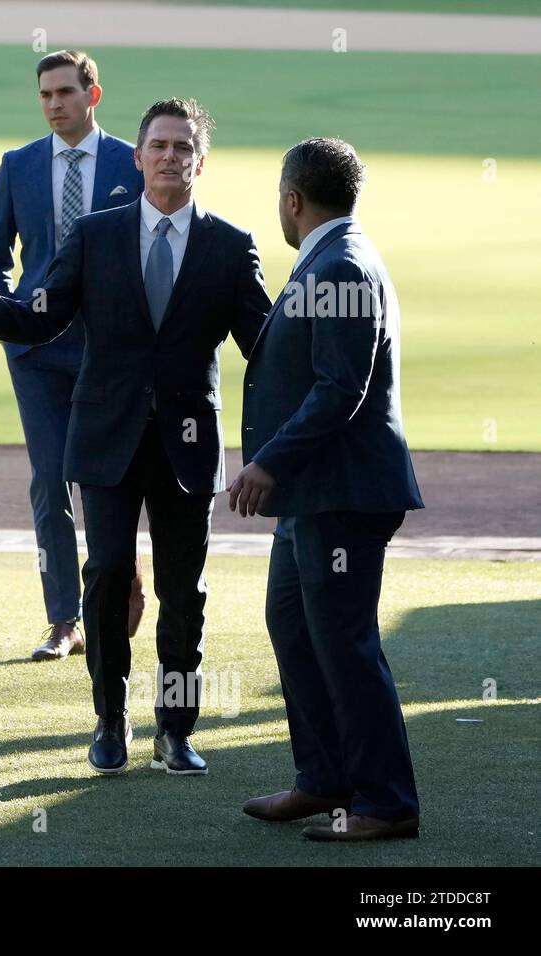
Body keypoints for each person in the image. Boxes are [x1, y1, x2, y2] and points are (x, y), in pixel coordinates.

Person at [0, 98, 270, 776]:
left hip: (186, 450)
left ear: (200, 162)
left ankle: (175, 732)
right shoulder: (95, 235)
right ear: (138, 155)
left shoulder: (230, 245)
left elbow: (263, 349)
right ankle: (110, 723)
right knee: (104, 581)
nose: (169, 156)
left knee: (186, 596)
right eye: (158, 145)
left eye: (183, 147)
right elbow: (48, 317)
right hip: (106, 442)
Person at [231, 137, 423, 841]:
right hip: (316, 496)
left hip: (339, 494)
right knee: (294, 624)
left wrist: (268, 463)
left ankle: (386, 801)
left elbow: (341, 387)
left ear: (292, 199)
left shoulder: (339, 263)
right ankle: (324, 779)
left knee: (344, 642)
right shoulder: (334, 257)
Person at [0, 49, 147, 661]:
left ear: (92, 95)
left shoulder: (130, 163)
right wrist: (7, 315)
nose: (54, 104)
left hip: (109, 350)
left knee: (112, 472)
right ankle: (63, 618)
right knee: (49, 479)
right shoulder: (18, 165)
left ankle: (122, 569)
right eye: (45, 95)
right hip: (36, 351)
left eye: (65, 93)